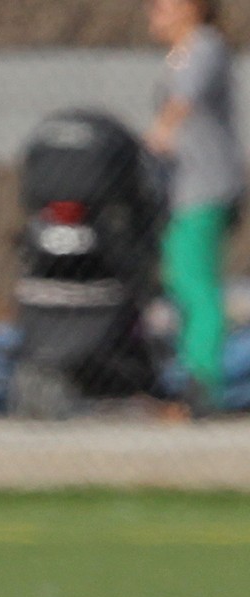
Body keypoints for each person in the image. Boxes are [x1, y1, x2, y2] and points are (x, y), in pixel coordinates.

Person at [147, 0, 243, 409]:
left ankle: (203, 383)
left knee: (196, 284)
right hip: (180, 190)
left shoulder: (204, 45)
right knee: (180, 282)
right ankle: (189, 375)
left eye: (166, 5)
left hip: (204, 187)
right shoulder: (182, 52)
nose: (155, 12)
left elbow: (182, 103)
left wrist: (158, 136)